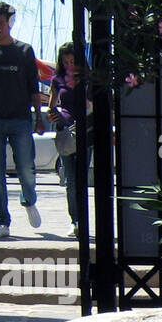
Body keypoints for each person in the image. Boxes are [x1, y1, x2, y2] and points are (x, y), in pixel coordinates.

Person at [0, 2, 45, 238]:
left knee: (26, 169)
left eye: (1, 23)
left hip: (21, 119)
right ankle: (1, 221)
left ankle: (29, 199)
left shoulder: (24, 51)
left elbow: (34, 86)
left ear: (9, 23)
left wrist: (39, 117)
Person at [46, 42, 93, 239]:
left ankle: (82, 220)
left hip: (86, 131)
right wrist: (52, 115)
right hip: (65, 130)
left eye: (73, 61)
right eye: (66, 62)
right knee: (70, 180)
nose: (69, 65)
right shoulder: (57, 79)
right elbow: (51, 104)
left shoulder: (89, 79)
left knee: (81, 179)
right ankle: (75, 221)